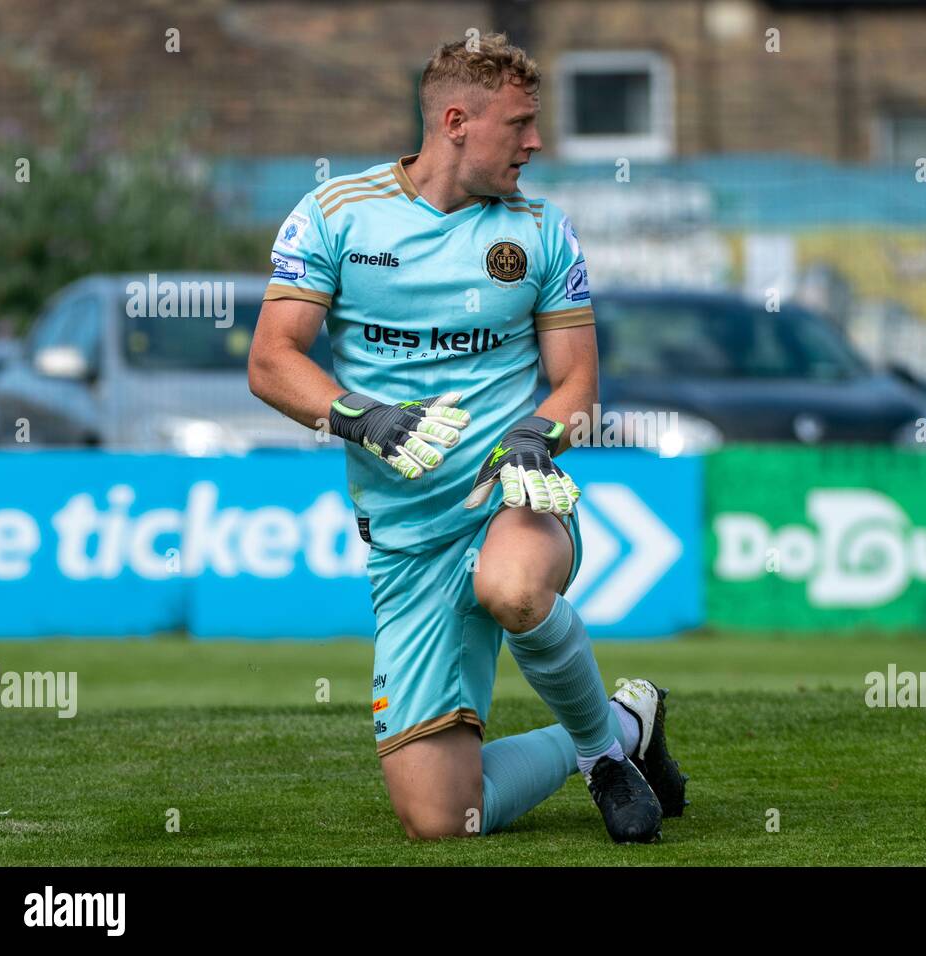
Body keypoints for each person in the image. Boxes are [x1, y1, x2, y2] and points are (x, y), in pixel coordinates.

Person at [247, 33, 686, 843]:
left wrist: (534, 436)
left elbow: (579, 388)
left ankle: (602, 764)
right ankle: (625, 723)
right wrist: (364, 418)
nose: (536, 141)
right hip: (408, 544)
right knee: (444, 820)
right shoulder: (335, 215)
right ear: (456, 121)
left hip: (512, 503)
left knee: (513, 589)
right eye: (519, 123)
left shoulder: (543, 229)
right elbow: (272, 361)